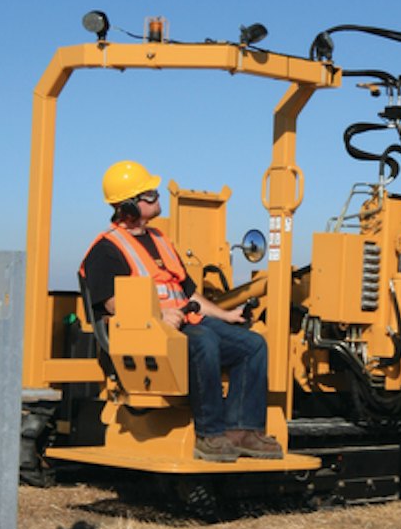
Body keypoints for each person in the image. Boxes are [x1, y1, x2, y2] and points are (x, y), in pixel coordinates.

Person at [79, 160, 282, 464]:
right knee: (204, 342)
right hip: (145, 336)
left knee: (252, 345)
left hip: (184, 325)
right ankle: (209, 435)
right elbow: (113, 304)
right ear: (129, 207)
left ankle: (243, 430)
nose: (156, 196)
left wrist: (225, 315)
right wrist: (158, 317)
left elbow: (189, 292)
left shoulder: (160, 240)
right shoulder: (106, 250)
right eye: (148, 194)